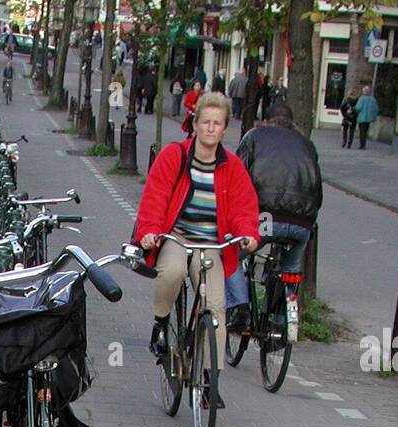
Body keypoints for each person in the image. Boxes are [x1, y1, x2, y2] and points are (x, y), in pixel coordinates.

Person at [134, 92, 260, 383]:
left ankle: (208, 378)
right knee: (172, 272)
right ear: (195, 124)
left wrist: (247, 235)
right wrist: (150, 232)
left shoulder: (232, 166)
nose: (211, 128)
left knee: (215, 307)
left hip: (211, 243)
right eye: (205, 122)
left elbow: (245, 207)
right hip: (177, 236)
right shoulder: (174, 156)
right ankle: (161, 322)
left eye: (217, 123)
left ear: (225, 128)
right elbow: (155, 198)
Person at [226, 102, 322, 333]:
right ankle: (281, 319)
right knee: (290, 267)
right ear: (291, 122)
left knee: (230, 255)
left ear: (266, 121)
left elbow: (237, 176)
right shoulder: (307, 144)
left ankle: (241, 308)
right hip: (303, 222)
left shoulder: (255, 136)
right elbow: (317, 187)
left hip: (266, 217)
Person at [354, 82, 379, 149]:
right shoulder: (373, 99)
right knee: (366, 130)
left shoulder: (361, 99)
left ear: (363, 92)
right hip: (369, 118)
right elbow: (376, 109)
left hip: (362, 117)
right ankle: (364, 144)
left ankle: (362, 145)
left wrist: (354, 110)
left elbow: (358, 108)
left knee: (362, 131)